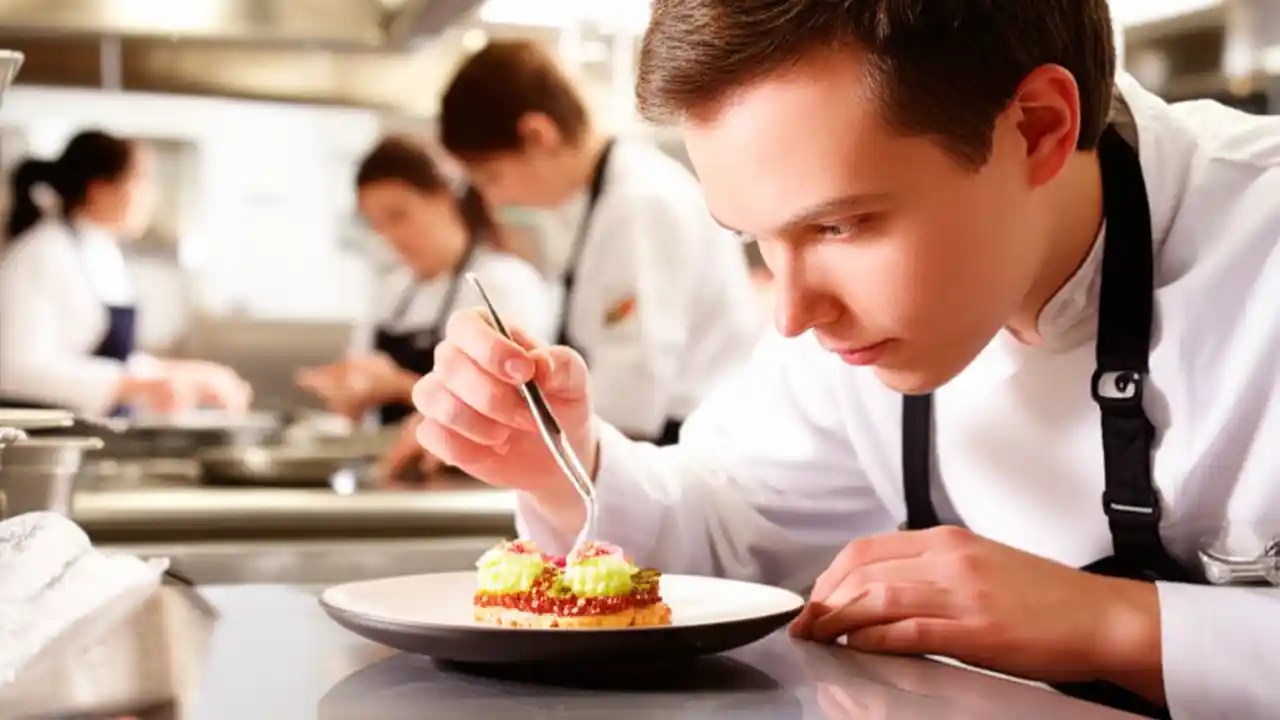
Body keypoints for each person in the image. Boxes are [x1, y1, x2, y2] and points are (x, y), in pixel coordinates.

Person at [410, 2, 1280, 719]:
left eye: (840, 227)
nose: (792, 316)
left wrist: (1117, 625)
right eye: (757, 242)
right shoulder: (850, 334)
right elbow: (721, 535)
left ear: (1038, 129)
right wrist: (562, 464)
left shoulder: (1263, 250)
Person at [436, 39, 761, 446]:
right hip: (653, 446)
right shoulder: (598, 202)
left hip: (688, 446)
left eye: (492, 177)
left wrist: (515, 441)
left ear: (539, 135)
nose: (494, 200)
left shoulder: (641, 203)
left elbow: (632, 391)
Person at [297, 136, 550, 469]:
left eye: (398, 215)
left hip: (472, 475)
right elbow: (360, 416)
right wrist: (351, 397)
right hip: (399, 468)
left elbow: (513, 408)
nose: (390, 236)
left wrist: (399, 386)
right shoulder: (391, 293)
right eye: (377, 224)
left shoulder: (502, 284)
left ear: (444, 198)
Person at [0, 130, 252, 417]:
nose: (151, 196)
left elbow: (105, 359)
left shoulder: (101, 251)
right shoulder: (42, 254)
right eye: (141, 181)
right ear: (99, 190)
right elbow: (15, 370)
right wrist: (144, 384)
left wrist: (181, 374)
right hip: (45, 442)